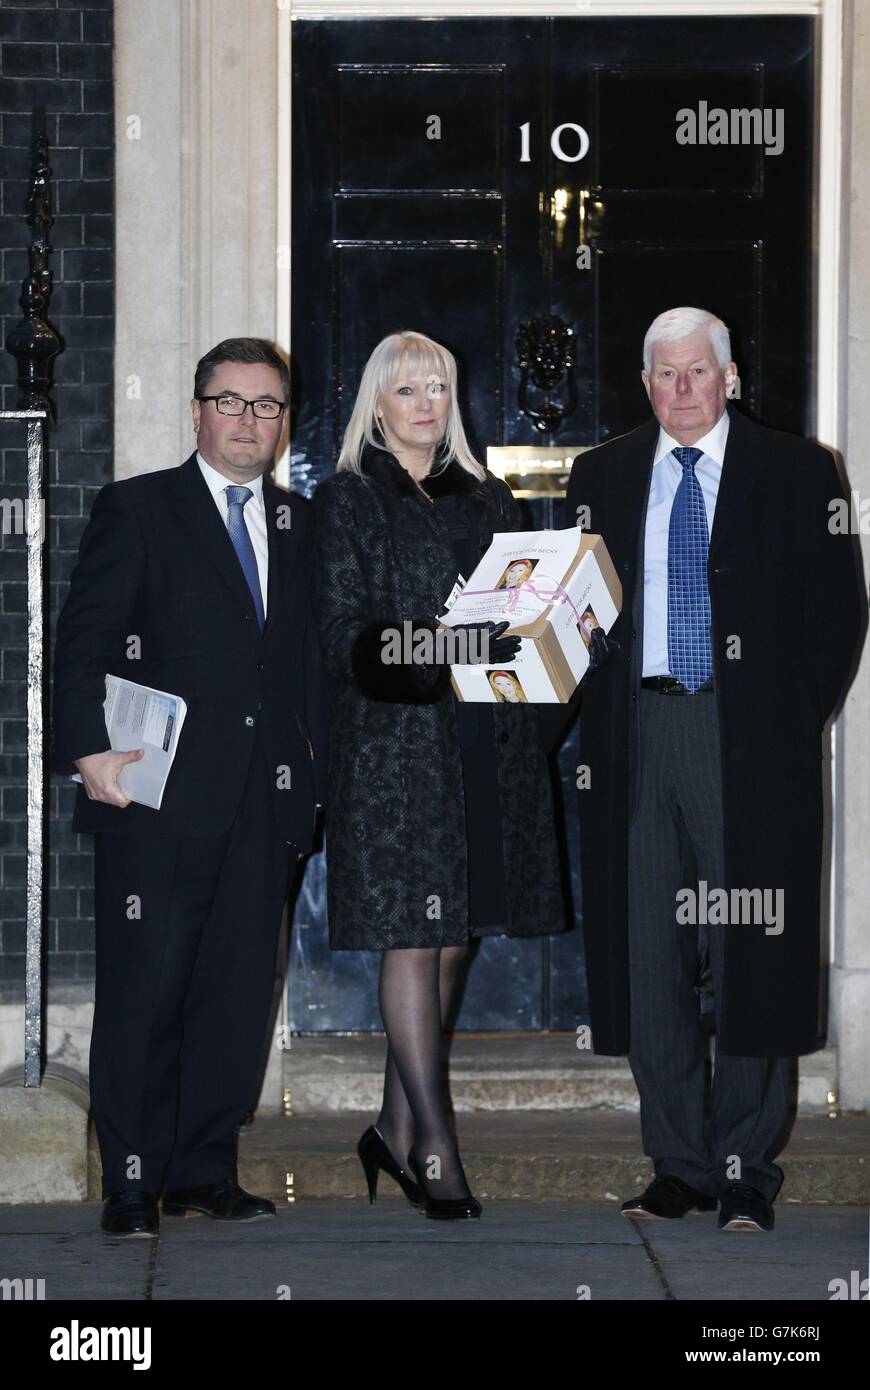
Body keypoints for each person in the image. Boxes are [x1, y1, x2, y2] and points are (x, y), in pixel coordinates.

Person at [562, 306, 862, 1232]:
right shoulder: (600, 473)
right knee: (650, 955)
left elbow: (838, 619)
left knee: (751, 955)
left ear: (730, 377)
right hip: (637, 740)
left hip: (748, 745)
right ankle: (678, 1167)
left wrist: (778, 723)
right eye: (663, 375)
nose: (681, 391)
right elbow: (571, 608)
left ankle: (743, 1171)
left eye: (698, 373)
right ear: (645, 382)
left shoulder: (801, 471)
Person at [51, 338, 325, 1237]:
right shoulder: (139, 510)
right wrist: (89, 751)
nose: (249, 421)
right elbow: (83, 640)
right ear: (197, 409)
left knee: (236, 994)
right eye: (232, 402)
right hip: (154, 793)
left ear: (285, 423)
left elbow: (308, 666)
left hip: (265, 801)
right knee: (146, 990)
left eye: (267, 406)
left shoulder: (301, 523)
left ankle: (204, 1170)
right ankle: (132, 1180)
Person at [309, 329, 566, 1219]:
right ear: (376, 403)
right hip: (393, 752)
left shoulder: (489, 497)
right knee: (413, 939)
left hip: (481, 745)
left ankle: (388, 1124)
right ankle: (434, 1148)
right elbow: (347, 635)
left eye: (439, 389)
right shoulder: (347, 499)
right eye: (407, 389)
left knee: (454, 937)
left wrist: (568, 618)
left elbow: (524, 616)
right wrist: (446, 647)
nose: (426, 404)